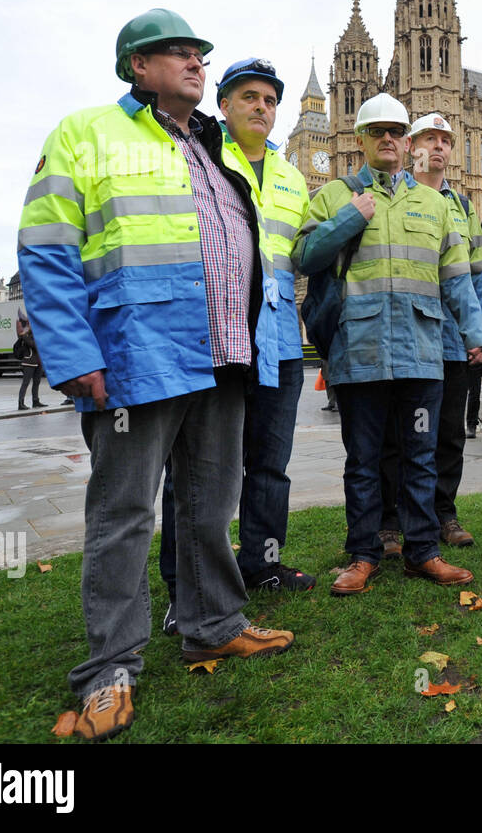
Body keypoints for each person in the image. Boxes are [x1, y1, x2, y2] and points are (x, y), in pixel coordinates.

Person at [17, 8, 292, 741]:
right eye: (178, 52)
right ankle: (109, 668)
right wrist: (73, 351)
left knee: (209, 504)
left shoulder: (214, 145)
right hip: (137, 356)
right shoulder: (87, 133)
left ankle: (212, 624)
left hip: (222, 354)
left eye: (200, 53)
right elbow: (45, 246)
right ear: (138, 65)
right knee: (125, 514)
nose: (197, 62)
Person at [294, 93, 482, 595]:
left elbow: (457, 279)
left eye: (395, 131)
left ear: (406, 142)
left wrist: (475, 335)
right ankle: (364, 554)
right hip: (359, 351)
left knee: (421, 456)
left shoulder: (435, 204)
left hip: (421, 353)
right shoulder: (334, 196)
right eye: (376, 131)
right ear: (360, 139)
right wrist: (349, 218)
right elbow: (305, 257)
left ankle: (423, 551)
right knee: (363, 460)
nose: (387, 138)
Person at [155, 58, 316, 611]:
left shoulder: (292, 176)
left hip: (281, 341)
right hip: (219, 337)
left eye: (270, 100)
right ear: (223, 104)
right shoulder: (199, 156)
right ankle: (184, 586)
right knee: (196, 472)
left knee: (270, 465)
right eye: (249, 97)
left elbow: (305, 252)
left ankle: (261, 564)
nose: (261, 108)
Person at [379, 113, 482, 549]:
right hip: (407, 337)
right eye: (430, 138)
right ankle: (391, 521)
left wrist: (479, 333)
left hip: (450, 342)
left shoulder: (462, 207)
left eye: (445, 140)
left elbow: (479, 276)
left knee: (448, 434)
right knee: (397, 434)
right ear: (412, 146)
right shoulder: (394, 196)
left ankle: (444, 514)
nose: (439, 146)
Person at [14, 325, 46, 410]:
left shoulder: (37, 336)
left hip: (38, 362)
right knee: (25, 383)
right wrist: (24, 335)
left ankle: (35, 401)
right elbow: (33, 345)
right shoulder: (25, 336)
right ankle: (21, 403)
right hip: (29, 363)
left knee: (37, 382)